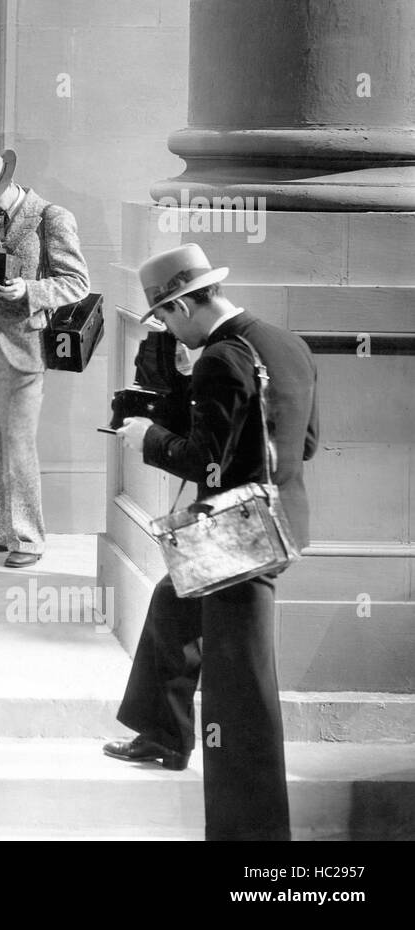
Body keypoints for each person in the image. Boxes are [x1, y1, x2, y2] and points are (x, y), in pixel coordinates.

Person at [107, 243, 319, 842]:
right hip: (279, 520)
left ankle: (254, 841)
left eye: (166, 319)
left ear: (180, 306)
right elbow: (303, 445)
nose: (170, 333)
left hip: (238, 539)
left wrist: (148, 439)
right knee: (172, 603)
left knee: (241, 690)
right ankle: (162, 734)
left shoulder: (220, 360)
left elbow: (207, 464)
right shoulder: (286, 342)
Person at [0, 141, 89, 568]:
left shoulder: (50, 217)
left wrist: (28, 289)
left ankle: (28, 538)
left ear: (6, 182)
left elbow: (76, 283)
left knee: (19, 443)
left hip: (24, 343)